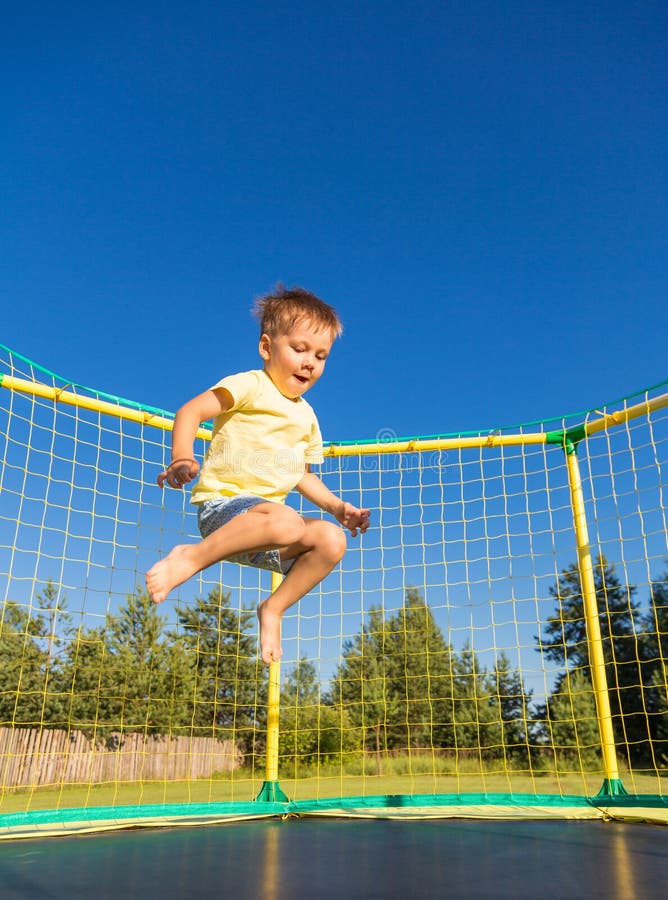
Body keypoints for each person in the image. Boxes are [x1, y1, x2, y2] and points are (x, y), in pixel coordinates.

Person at [146, 285, 370, 664]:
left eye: (321, 355)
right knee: (287, 521)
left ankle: (273, 609)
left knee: (331, 541)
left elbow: (301, 474)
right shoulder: (250, 385)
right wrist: (181, 458)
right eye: (299, 349)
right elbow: (189, 413)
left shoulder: (308, 418)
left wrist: (337, 508)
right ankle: (191, 558)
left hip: (264, 532)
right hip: (224, 511)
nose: (309, 362)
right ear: (267, 348)